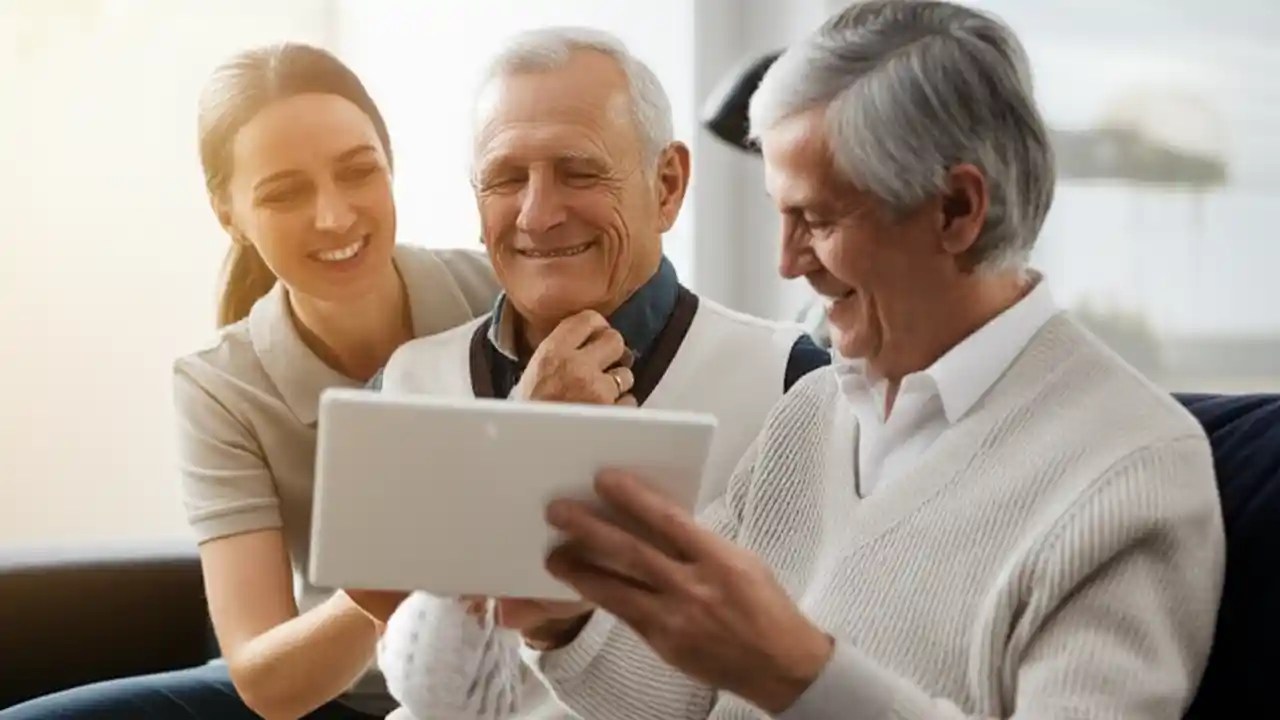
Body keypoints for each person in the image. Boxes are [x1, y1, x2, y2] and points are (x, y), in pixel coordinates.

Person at [382, 3, 1228, 719]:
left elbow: (773, 671)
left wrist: (797, 673)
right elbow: (673, 695)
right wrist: (567, 619)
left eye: (818, 220)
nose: (788, 263)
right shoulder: (814, 413)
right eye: (778, 216)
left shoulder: (1131, 472)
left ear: (958, 210)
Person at [1, 43, 501, 720]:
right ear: (227, 213)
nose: (334, 215)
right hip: (332, 695)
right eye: (285, 192)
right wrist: (410, 565)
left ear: (391, 166)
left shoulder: (499, 298)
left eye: (358, 172)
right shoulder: (218, 385)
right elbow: (267, 681)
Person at [371, 27, 830, 720]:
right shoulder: (407, 384)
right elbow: (427, 691)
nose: (538, 213)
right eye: (505, 178)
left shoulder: (792, 384)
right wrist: (528, 441)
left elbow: (766, 694)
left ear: (667, 185)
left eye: (579, 172)